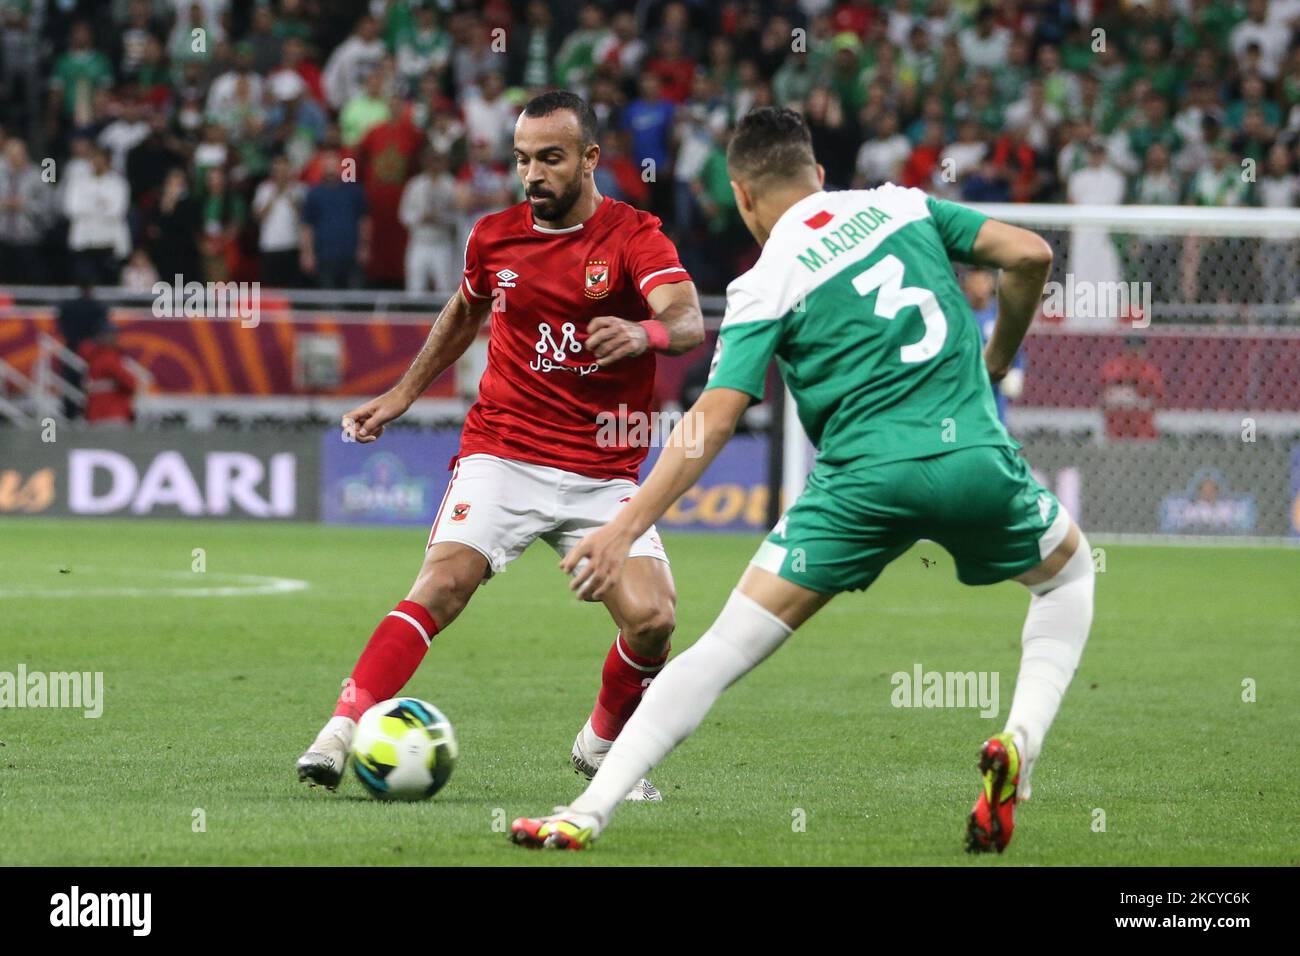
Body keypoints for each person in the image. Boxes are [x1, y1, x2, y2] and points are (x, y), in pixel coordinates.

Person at [510, 107, 1094, 854]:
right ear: (818, 173)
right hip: (974, 457)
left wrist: (623, 528)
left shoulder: (764, 283)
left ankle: (584, 812)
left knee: (719, 652)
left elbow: (711, 422)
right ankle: (1020, 740)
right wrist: (999, 359)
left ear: (742, 197)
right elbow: (1031, 255)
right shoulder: (901, 204)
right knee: (1069, 578)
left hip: (860, 488)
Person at [296, 92, 705, 802]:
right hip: (504, 451)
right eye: (521, 160)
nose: (532, 175)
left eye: (550, 158)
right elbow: (464, 310)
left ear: (588, 160)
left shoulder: (635, 237)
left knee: (654, 619)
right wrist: (400, 397)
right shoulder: (494, 237)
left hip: (603, 471)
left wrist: (645, 334)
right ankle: (341, 728)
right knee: (443, 583)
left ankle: (601, 745)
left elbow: (688, 315)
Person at [78, 327, 138, 425]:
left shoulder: (94, 357)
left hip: (95, 412)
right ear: (101, 337)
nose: (116, 339)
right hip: (112, 412)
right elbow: (130, 383)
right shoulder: (108, 357)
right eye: (112, 335)